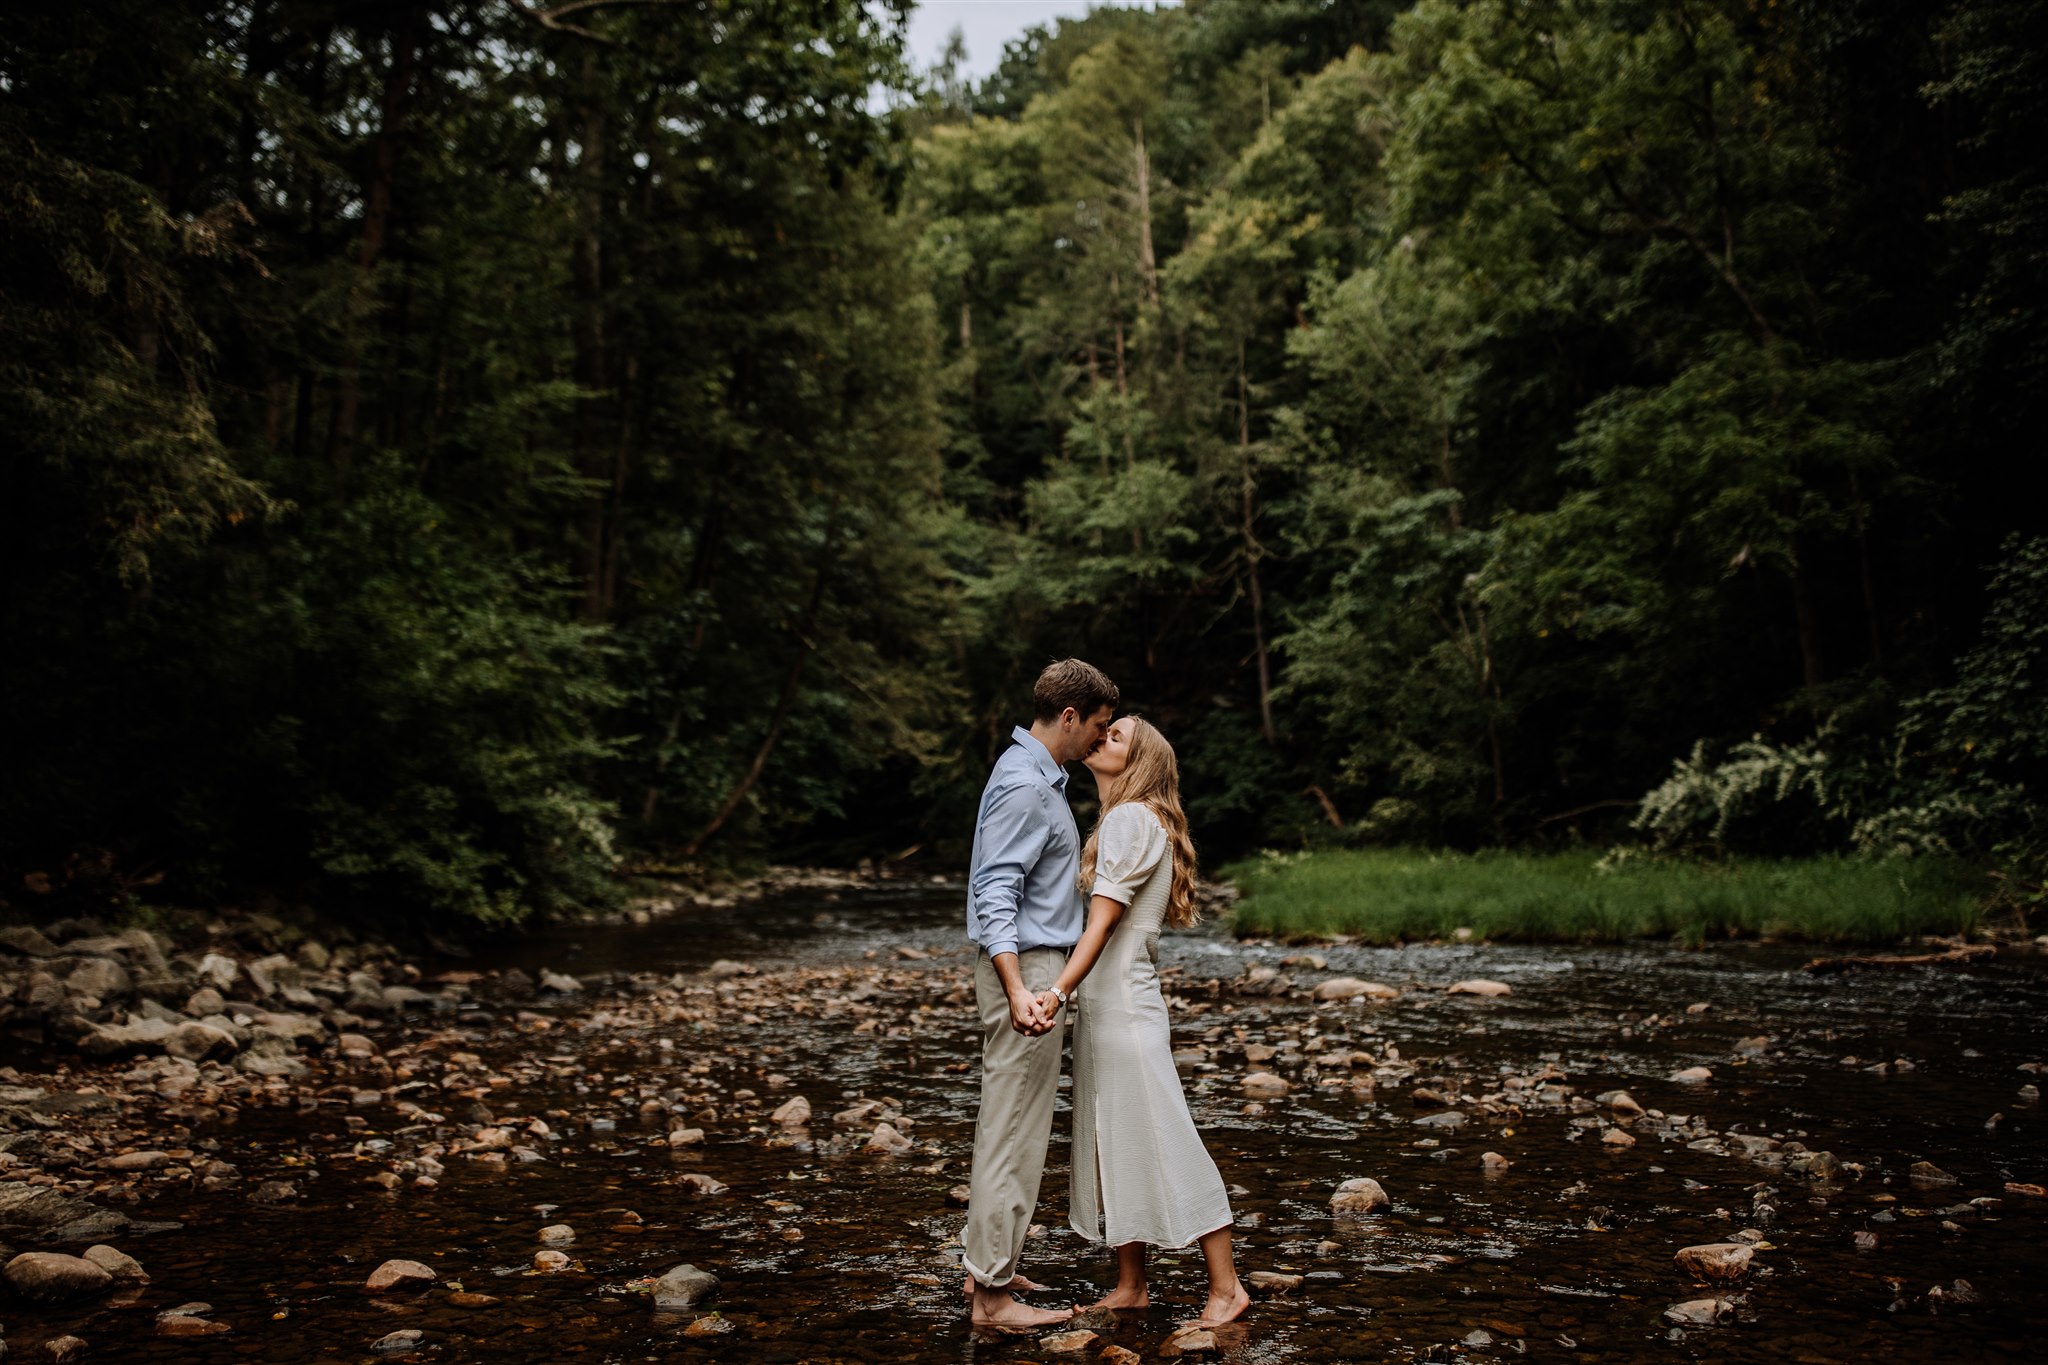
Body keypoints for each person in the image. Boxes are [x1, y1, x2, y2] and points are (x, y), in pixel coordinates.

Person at [1046, 715, 1249, 1329]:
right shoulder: (1129, 820)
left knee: (1165, 1136)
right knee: (1116, 1140)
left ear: (1138, 763)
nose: (1101, 738)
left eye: (1117, 738)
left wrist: (1055, 991)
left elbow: (1102, 925)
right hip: (1113, 1006)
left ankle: (1228, 1288)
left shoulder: (1133, 821)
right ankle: (1131, 1284)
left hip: (1125, 1012)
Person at [960, 658, 1118, 1332]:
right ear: (1071, 716)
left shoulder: (1034, 777)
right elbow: (994, 890)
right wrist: (1019, 986)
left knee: (1011, 1117)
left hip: (1032, 964)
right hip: (1027, 967)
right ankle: (992, 1301)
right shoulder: (1027, 784)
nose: (1100, 741)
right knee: (1014, 1127)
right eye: (1100, 727)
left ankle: (989, 1264)